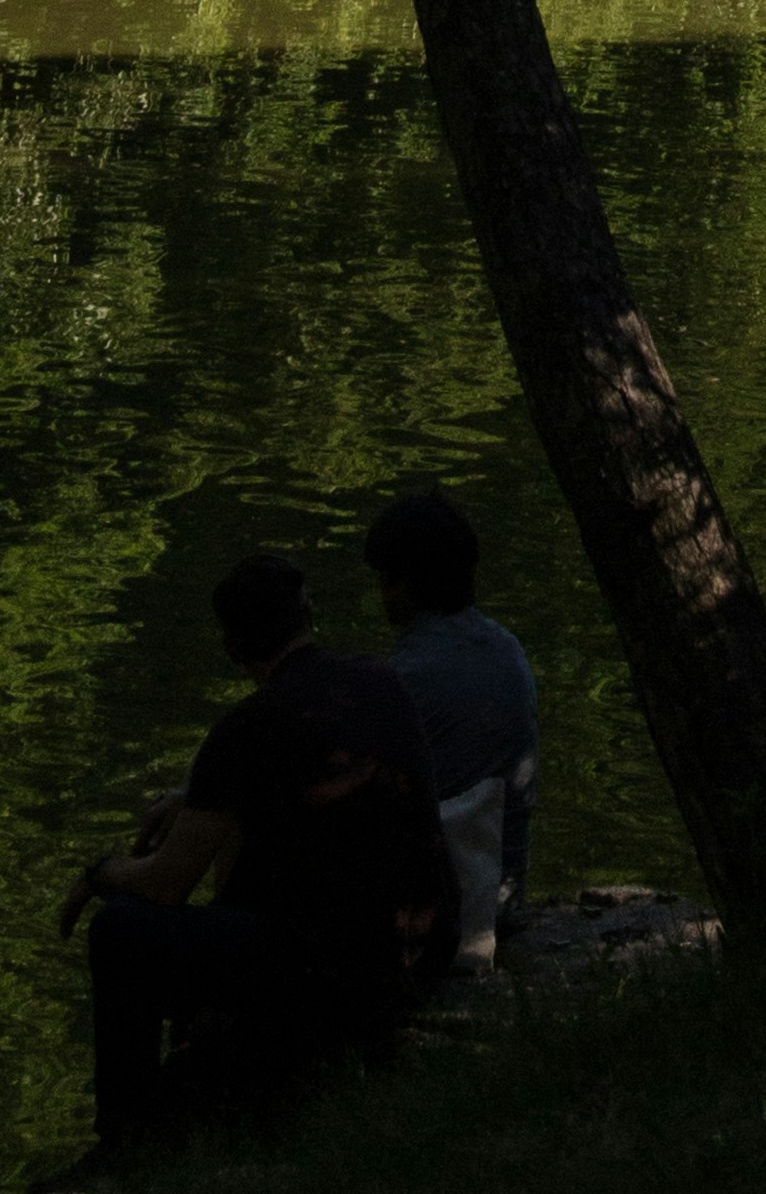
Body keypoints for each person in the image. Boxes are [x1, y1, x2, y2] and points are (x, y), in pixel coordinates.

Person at [44, 551, 451, 1165]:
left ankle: (125, 1139)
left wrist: (99, 873)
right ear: (308, 617)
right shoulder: (380, 682)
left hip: (341, 974)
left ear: (231, 648)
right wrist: (194, 800)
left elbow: (163, 884)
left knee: (121, 931)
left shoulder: (247, 726)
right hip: (423, 947)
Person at [363, 483, 540, 967]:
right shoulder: (507, 649)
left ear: (403, 584)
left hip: (442, 910)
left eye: (383, 580)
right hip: (502, 890)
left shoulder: (402, 679)